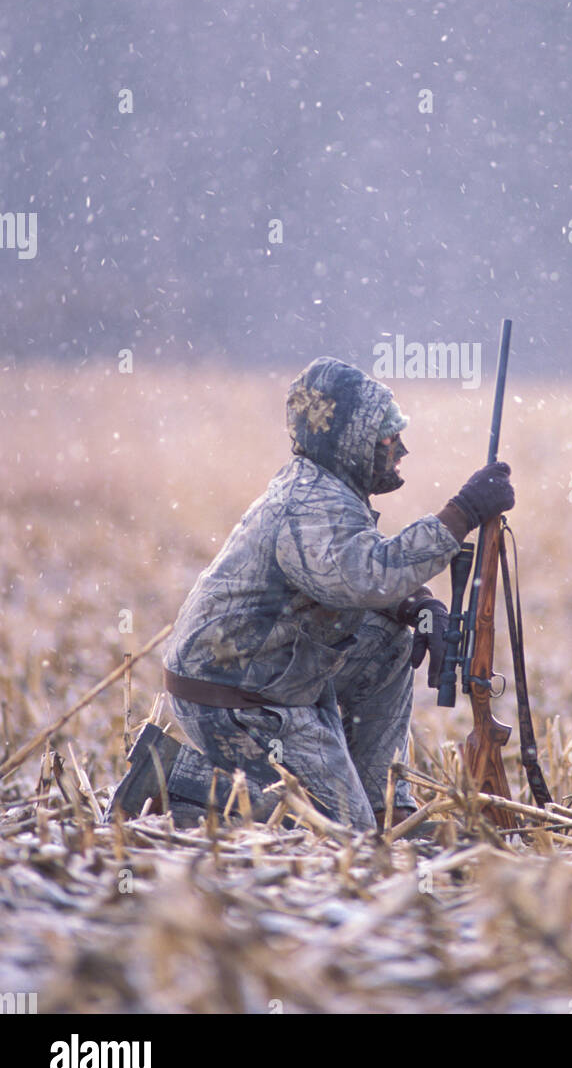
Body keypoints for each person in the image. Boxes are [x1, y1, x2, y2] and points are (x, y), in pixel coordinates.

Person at [105, 356, 514, 831]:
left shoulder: (328, 488)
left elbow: (349, 577)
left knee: (391, 640)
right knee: (339, 836)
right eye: (386, 434)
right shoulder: (311, 503)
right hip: (238, 696)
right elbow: (367, 576)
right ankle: (174, 784)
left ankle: (382, 798)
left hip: (271, 671)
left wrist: (419, 606)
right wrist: (462, 513)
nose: (401, 447)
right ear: (349, 442)